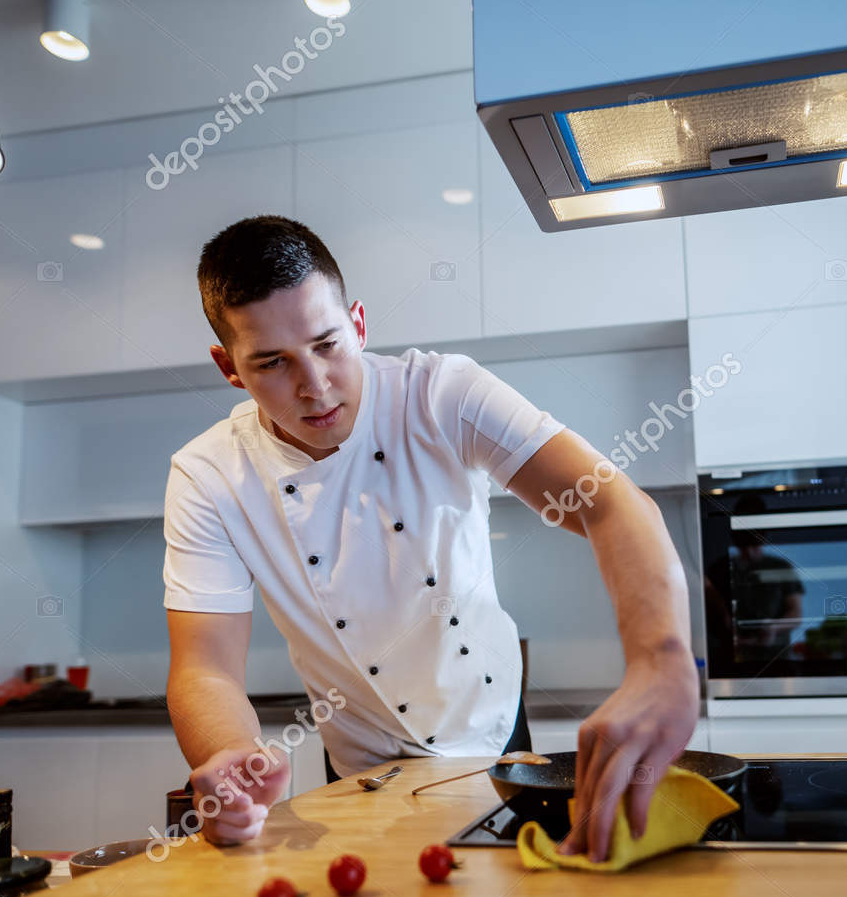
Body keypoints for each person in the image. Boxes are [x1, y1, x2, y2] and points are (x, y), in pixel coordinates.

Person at [163, 216, 698, 861]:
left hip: (494, 732)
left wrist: (660, 659)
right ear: (229, 367)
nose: (315, 385)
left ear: (358, 324)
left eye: (328, 343)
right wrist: (226, 755)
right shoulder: (209, 473)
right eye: (272, 363)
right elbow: (206, 667)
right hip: (361, 766)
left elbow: (610, 502)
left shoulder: (442, 393)